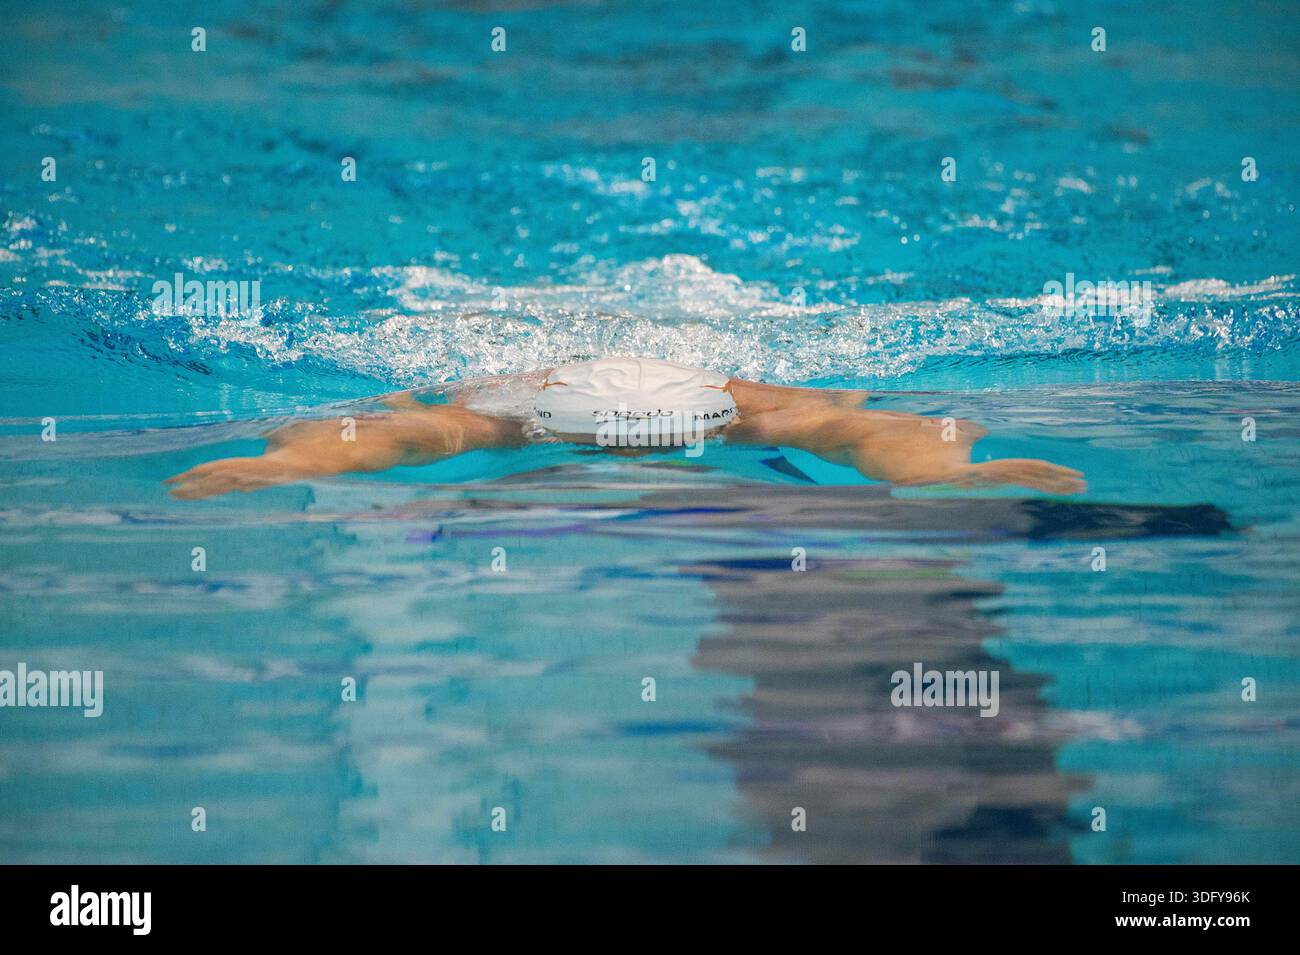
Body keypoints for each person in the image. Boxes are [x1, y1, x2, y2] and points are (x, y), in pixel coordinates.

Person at [165, 356, 1085, 499]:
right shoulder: (513, 408)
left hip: (706, 382)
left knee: (817, 418)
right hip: (549, 379)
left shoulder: (750, 406)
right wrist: (277, 463)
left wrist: (952, 471)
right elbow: (395, 435)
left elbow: (865, 432)